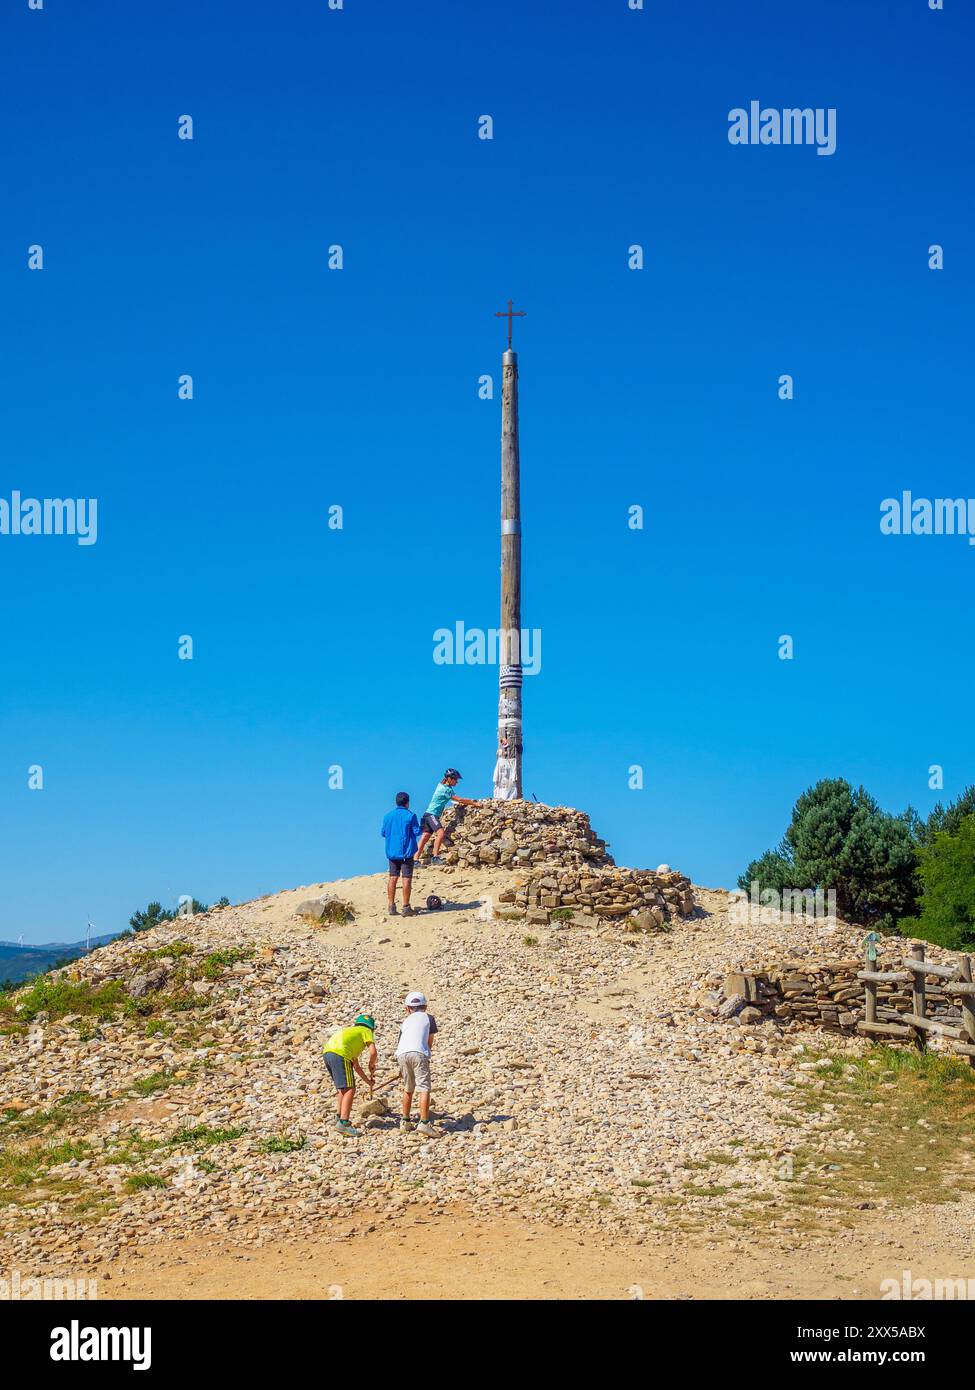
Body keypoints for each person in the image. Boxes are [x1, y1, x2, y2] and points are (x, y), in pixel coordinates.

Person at [323, 1013, 377, 1139]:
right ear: (372, 1028)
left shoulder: (350, 1034)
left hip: (328, 1053)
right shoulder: (366, 1031)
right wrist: (371, 1064)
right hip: (341, 1054)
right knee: (350, 1089)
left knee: (343, 1088)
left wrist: (368, 1082)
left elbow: (356, 1067)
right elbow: (373, 1052)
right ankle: (344, 1123)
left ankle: (338, 1116)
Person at [415, 768, 478, 865]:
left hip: (426, 814)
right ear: (449, 779)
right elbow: (459, 799)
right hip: (432, 815)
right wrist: (473, 803)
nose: (457, 782)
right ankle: (435, 858)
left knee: (425, 837)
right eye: (455, 779)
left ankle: (415, 861)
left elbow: (444, 781)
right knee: (440, 833)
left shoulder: (440, 785)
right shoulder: (447, 790)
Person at [396, 991, 438, 1137]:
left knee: (408, 1088)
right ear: (425, 1006)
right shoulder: (428, 1018)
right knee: (424, 1088)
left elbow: (401, 1042)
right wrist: (427, 1055)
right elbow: (429, 1040)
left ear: (407, 1008)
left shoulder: (405, 1022)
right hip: (419, 1053)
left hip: (402, 1054)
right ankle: (424, 1123)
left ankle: (405, 1121)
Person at [381, 791, 421, 917]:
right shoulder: (411, 816)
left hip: (392, 852)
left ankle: (391, 906)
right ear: (407, 803)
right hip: (406, 852)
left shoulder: (387, 816)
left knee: (393, 877)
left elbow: (383, 833)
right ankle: (406, 907)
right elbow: (417, 832)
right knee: (406, 878)